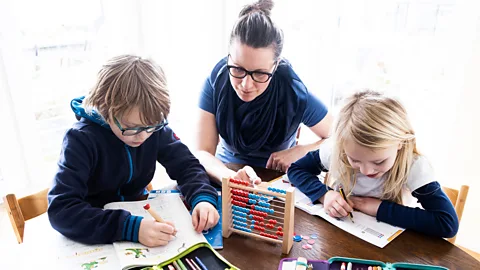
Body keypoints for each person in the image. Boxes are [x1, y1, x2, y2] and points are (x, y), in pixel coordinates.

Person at [48, 55, 220, 247]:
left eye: (151, 126)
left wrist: (203, 198)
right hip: (95, 229)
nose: (143, 136)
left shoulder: (154, 128)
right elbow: (61, 209)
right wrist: (130, 228)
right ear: (104, 110)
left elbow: (187, 166)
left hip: (141, 216)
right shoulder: (80, 140)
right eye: (131, 127)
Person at [195, 0, 333, 185]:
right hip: (224, 175)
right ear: (229, 57)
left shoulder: (293, 93)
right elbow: (203, 152)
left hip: (275, 182)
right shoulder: (216, 83)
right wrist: (228, 176)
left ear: (275, 66)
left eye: (259, 73)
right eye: (237, 69)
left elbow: (338, 138)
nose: (246, 84)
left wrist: (301, 150)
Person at [287, 90, 459, 238]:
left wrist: (379, 208)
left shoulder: (412, 166)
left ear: (400, 144)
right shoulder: (336, 150)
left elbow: (447, 223)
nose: (366, 170)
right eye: (354, 160)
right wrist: (325, 195)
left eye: (379, 161)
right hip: (339, 234)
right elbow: (296, 169)